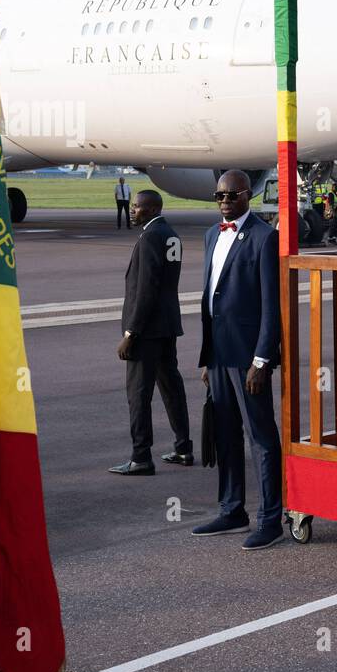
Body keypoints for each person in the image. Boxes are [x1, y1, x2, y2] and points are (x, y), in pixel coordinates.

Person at [191, 170, 284, 550]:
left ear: (249, 194)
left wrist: (262, 360)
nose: (224, 200)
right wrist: (206, 357)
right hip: (218, 354)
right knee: (225, 433)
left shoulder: (264, 237)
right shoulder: (212, 234)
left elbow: (270, 306)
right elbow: (210, 299)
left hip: (248, 357)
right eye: (219, 195)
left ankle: (270, 519)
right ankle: (232, 509)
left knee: (260, 437)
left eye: (231, 194)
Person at [110, 190, 193, 475]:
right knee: (172, 388)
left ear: (153, 208)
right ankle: (184, 448)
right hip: (167, 326)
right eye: (132, 207)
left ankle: (140, 456)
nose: (133, 211)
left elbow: (145, 290)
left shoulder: (148, 238)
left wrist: (131, 333)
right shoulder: (171, 234)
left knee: (138, 394)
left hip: (145, 330)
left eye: (138, 207)